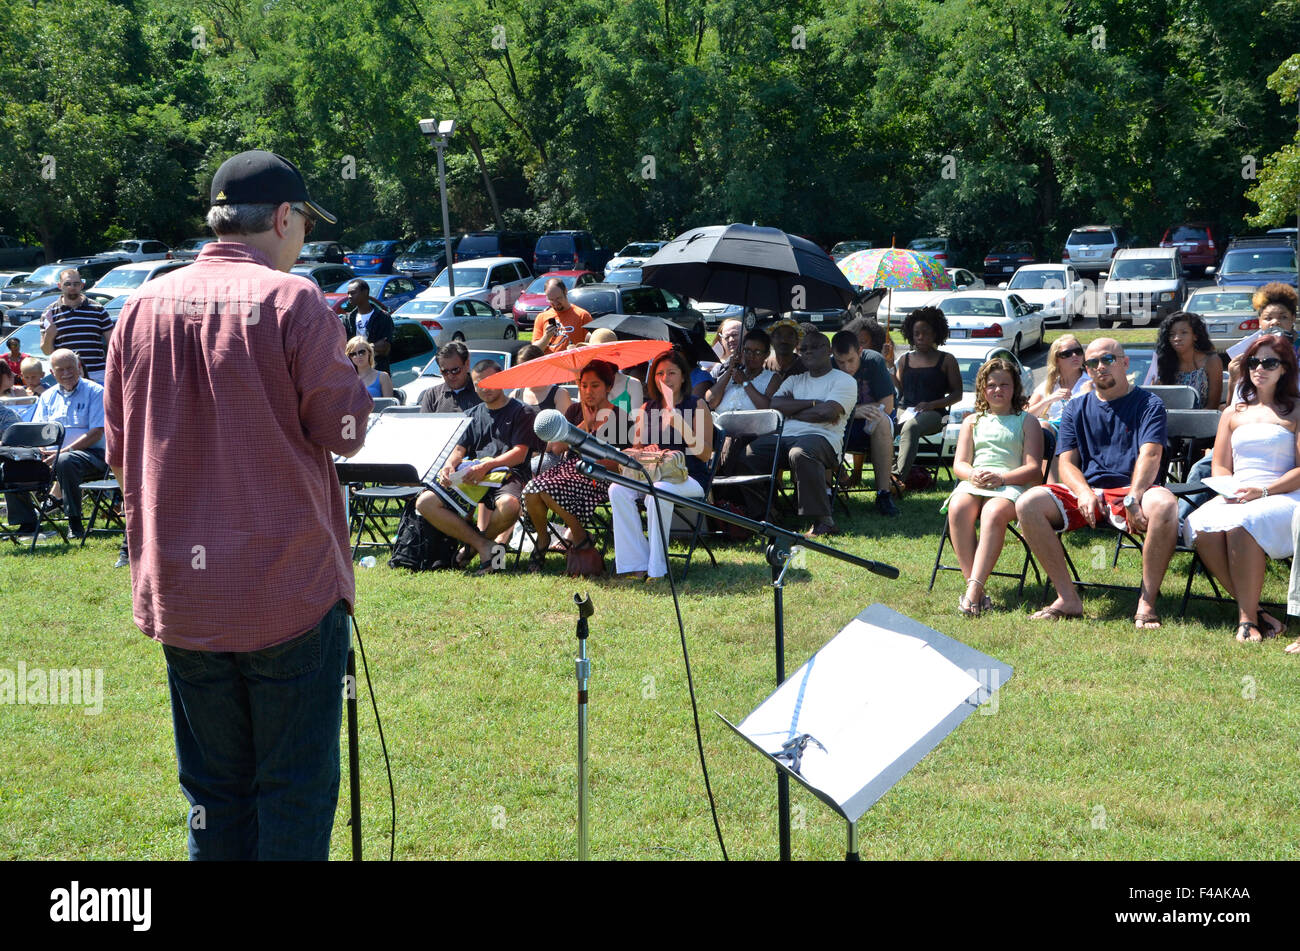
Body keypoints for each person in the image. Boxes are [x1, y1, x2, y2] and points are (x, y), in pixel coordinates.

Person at [104, 148, 371, 860]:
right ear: (283, 218)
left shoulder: (138, 306)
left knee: (213, 798)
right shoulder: (295, 301)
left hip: (184, 600)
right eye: (304, 225)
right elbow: (344, 433)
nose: (304, 240)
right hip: (288, 593)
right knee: (292, 792)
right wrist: (351, 373)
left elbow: (117, 449)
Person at [1015, 339, 1176, 627]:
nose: (1100, 367)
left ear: (1125, 363)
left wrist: (1134, 497)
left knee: (1165, 504)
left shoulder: (1149, 404)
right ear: (1087, 370)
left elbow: (1151, 454)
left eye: (1108, 359)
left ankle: (1147, 601)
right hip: (1089, 491)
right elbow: (1066, 462)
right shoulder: (1076, 407)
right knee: (1028, 503)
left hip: (1132, 490)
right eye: (1092, 363)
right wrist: (1083, 492)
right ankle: (1067, 597)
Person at [1186, 337, 1300, 642]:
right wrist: (1230, 489)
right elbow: (1221, 464)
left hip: (1284, 495)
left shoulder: (1296, 411)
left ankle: (1247, 621)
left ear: (1285, 369)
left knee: (1242, 525)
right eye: (1253, 362)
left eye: (1269, 362)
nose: (1259, 368)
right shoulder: (1233, 412)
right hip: (1239, 493)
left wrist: (1263, 492)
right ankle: (1260, 612)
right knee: (1200, 525)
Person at [944, 357, 1043, 615]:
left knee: (993, 512)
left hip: (1011, 484)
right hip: (976, 482)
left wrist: (1003, 478)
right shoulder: (973, 421)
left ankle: (973, 592)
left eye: (1004, 384)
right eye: (991, 385)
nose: (997, 390)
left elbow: (1033, 468)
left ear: (1015, 388)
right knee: (958, 507)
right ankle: (975, 589)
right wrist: (973, 474)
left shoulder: (1027, 421)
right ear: (982, 388)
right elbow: (960, 464)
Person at [414, 360, 532, 573]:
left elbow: (520, 454)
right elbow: (459, 449)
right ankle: (484, 546)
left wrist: (488, 467)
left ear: (502, 379)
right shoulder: (473, 413)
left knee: (510, 506)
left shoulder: (522, 411)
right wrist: (450, 465)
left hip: (508, 473)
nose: (483, 388)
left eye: (489, 382)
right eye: (478, 384)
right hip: (473, 475)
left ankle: (471, 549)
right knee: (425, 502)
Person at [610, 348, 714, 581]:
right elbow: (636, 449)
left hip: (689, 477)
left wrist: (680, 424)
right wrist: (645, 450)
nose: (665, 379)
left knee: (659, 491)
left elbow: (705, 455)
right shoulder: (647, 409)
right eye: (659, 374)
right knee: (617, 489)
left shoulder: (696, 406)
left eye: (671, 373)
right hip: (652, 474)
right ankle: (635, 565)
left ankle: (657, 570)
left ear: (683, 376)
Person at [742, 326, 857, 536]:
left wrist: (793, 411)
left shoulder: (844, 380)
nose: (808, 352)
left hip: (823, 440)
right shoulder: (795, 380)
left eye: (815, 347)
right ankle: (764, 515)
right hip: (785, 437)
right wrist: (813, 403)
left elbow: (828, 413)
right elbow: (775, 404)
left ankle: (824, 521)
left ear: (829, 350)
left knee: (800, 452)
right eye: (803, 349)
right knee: (750, 452)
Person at [521, 359, 628, 571]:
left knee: (543, 488)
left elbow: (617, 463)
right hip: (567, 471)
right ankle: (544, 539)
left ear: (608, 387)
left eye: (595, 386)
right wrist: (585, 425)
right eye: (584, 385)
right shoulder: (575, 412)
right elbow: (556, 447)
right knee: (530, 490)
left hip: (598, 475)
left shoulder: (619, 416)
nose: (588, 391)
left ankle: (579, 536)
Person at [3, 349, 108, 538]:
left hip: (92, 455)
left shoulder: (95, 392)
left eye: (70, 368)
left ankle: (74, 523)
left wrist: (63, 452)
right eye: (61, 370)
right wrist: (41, 450)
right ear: (52, 373)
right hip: (51, 456)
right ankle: (27, 522)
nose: (66, 373)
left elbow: (96, 433)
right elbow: (37, 430)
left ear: (78, 367)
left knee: (65, 461)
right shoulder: (47, 396)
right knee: (13, 461)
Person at [891, 306, 963, 493]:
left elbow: (957, 394)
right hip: (905, 409)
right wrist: (889, 364)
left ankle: (897, 480)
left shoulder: (947, 360)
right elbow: (900, 389)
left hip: (934, 413)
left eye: (926, 333)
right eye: (916, 333)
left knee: (911, 427)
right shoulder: (904, 360)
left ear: (936, 334)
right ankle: (886, 474)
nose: (920, 337)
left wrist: (931, 404)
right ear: (910, 335)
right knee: (883, 425)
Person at [831, 329, 898, 516]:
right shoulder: (829, 366)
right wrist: (854, 411)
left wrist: (851, 411)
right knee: (823, 424)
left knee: (882, 421)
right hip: (843, 424)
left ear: (860, 352)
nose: (846, 367)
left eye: (851, 360)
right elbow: (825, 409)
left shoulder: (874, 361)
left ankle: (883, 494)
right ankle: (828, 492)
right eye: (840, 362)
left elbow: (888, 405)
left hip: (872, 423)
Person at [1026, 334, 1091, 478]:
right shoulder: (1049, 386)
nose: (1075, 356)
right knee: (1043, 427)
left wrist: (1089, 396)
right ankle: (1048, 483)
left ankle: (1049, 484)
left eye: (1078, 351)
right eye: (1067, 354)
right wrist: (1048, 400)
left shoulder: (1090, 382)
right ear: (1057, 360)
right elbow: (1026, 416)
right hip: (1054, 431)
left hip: (1079, 429)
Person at [40, 267, 112, 384]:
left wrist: (111, 367)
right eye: (67, 284)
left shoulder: (98, 310)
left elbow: (112, 342)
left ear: (82, 285)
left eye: (76, 284)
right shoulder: (49, 313)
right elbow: (46, 351)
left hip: (97, 374)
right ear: (60, 286)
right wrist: (49, 335)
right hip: (66, 375)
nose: (72, 287)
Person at [1149, 311, 1223, 410]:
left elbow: (1213, 406)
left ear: (1195, 336)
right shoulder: (1163, 363)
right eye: (1172, 334)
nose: (1177, 338)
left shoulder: (1211, 361)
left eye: (1184, 333)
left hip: (1202, 421)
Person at [705, 328, 776, 414]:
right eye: (747, 351)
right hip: (719, 424)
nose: (751, 356)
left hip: (751, 426)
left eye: (757, 352)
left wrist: (745, 383)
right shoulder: (733, 374)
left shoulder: (771, 378)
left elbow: (768, 409)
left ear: (766, 354)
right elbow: (710, 402)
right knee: (694, 414)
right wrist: (729, 371)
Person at [340, 279, 393, 373]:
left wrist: (356, 350)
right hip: (355, 374)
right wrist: (372, 347)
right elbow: (346, 349)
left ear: (365, 292)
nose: (349, 296)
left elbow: (385, 348)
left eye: (353, 293)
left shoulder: (383, 317)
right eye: (348, 293)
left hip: (378, 372)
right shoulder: (348, 319)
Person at [587, 327, 643, 415]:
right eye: (594, 354)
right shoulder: (586, 387)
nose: (597, 359)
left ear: (614, 355)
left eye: (603, 353)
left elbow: (637, 424)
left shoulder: (632, 384)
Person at [417, 340, 482, 414]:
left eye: (455, 370)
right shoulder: (432, 395)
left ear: (467, 364)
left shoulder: (483, 392)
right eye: (445, 371)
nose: (450, 376)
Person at [532, 278, 592, 353]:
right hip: (549, 363)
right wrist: (546, 337)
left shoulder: (582, 315)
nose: (555, 303)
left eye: (558, 298)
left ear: (565, 291)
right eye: (551, 300)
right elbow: (534, 352)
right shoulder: (541, 317)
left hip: (571, 363)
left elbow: (591, 346)